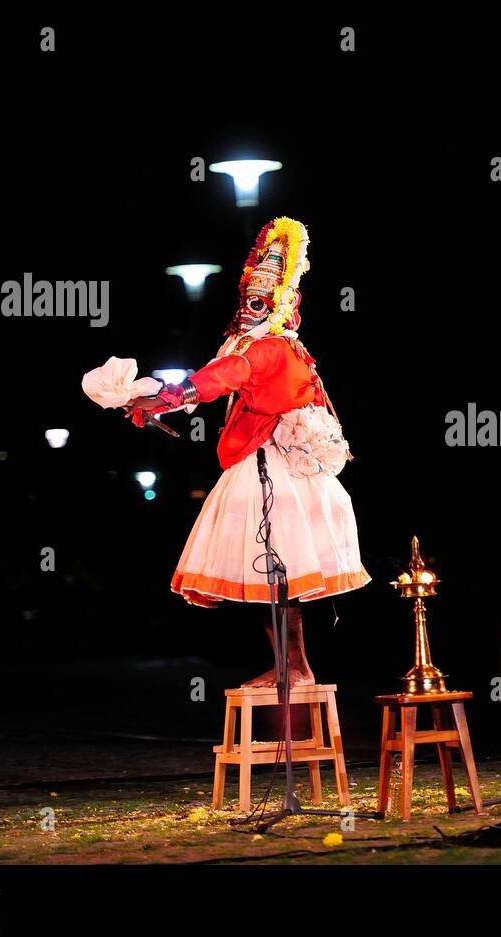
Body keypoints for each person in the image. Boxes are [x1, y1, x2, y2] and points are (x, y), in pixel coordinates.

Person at [125, 216, 371, 688]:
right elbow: (218, 379)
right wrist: (157, 402)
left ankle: (295, 667)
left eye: (259, 302)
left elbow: (220, 378)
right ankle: (290, 666)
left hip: (271, 469)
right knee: (270, 578)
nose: (249, 309)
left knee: (276, 572)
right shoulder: (277, 348)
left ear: (283, 305)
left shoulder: (271, 349)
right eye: (246, 301)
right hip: (267, 462)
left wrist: (160, 399)